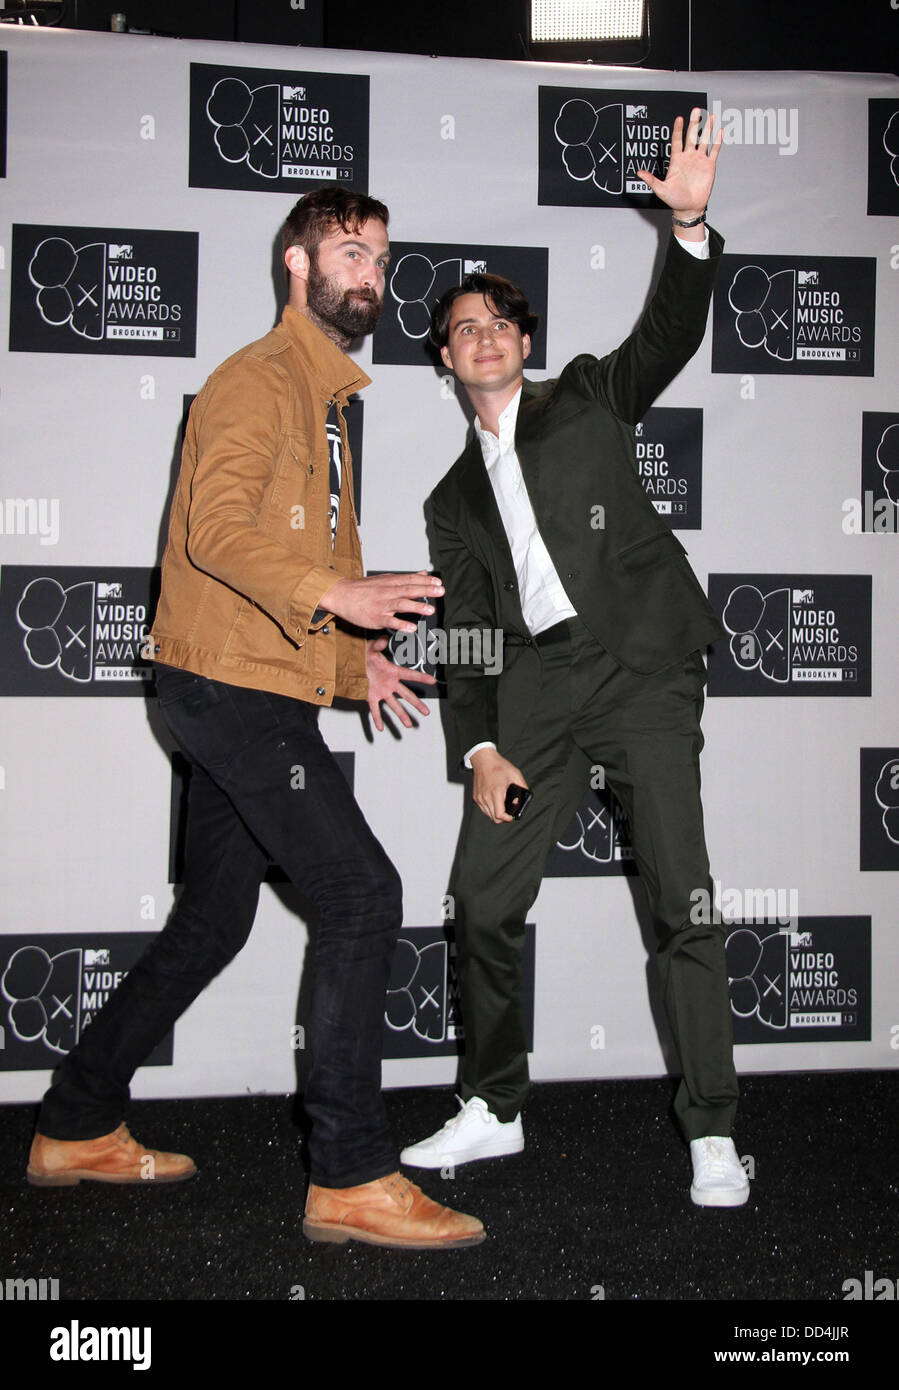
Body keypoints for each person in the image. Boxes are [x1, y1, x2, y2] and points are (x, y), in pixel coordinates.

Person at [27, 186, 485, 1250]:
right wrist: (343, 597)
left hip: (243, 685)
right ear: (296, 264)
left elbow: (292, 560)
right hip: (227, 692)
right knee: (360, 890)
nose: (368, 272)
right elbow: (213, 534)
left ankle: (74, 1121)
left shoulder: (322, 402)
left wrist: (353, 659)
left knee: (213, 919)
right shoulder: (256, 381)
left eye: (378, 256)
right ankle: (351, 1173)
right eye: (347, 252)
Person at [401, 111, 749, 1207]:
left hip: (639, 670)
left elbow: (666, 334)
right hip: (532, 691)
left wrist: (687, 224)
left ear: (522, 338)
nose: (483, 335)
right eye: (462, 326)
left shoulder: (589, 397)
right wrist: (482, 746)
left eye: (498, 319)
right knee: (482, 897)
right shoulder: (445, 501)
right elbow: (462, 633)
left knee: (678, 902)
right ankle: (494, 1106)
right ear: (444, 357)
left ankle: (709, 1130)